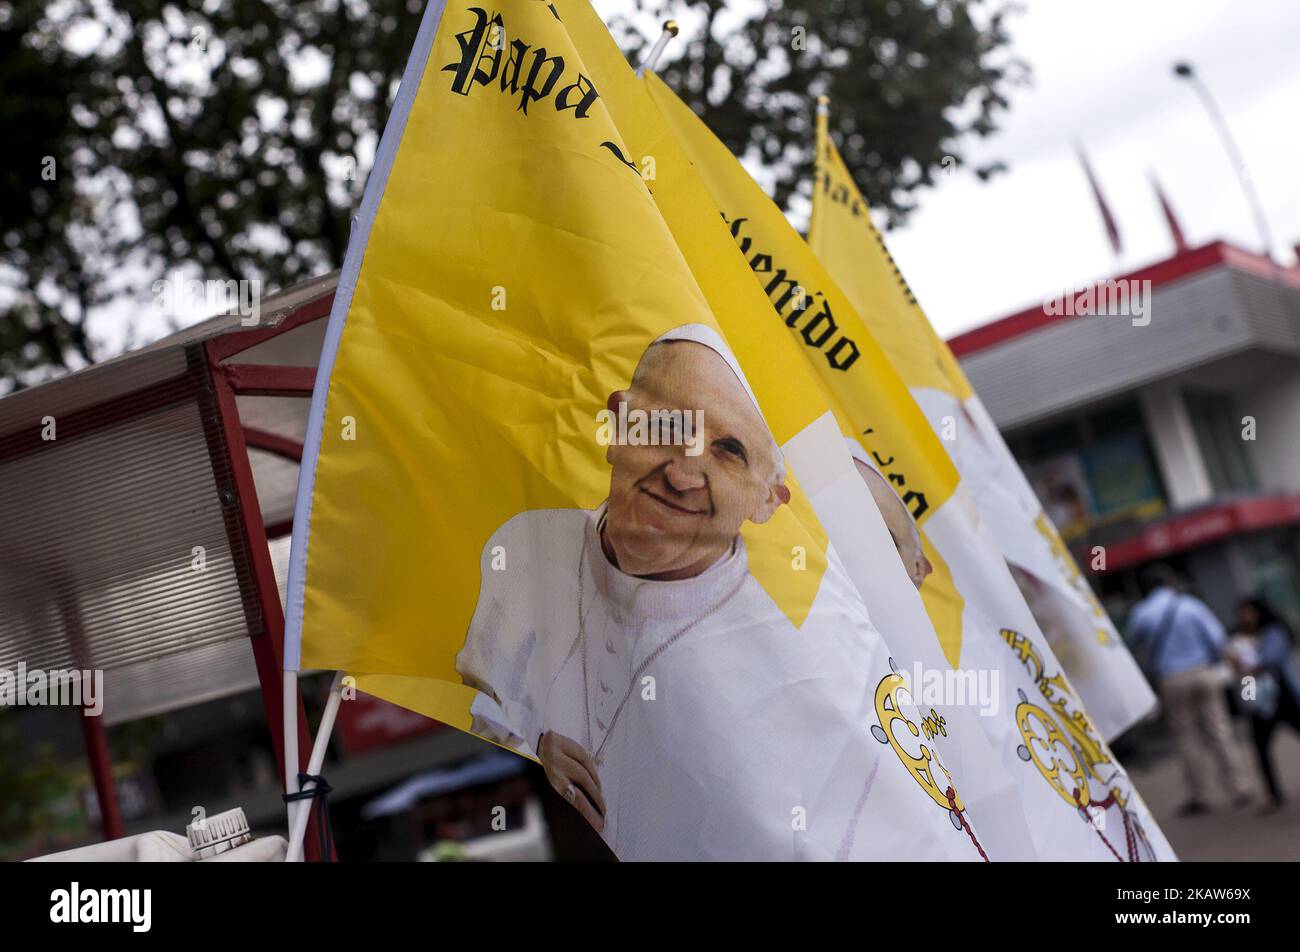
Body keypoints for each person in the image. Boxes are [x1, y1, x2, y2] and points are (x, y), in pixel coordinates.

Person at [454, 324, 975, 861]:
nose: (681, 474)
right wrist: (537, 743)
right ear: (616, 425)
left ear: (768, 501)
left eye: (727, 451)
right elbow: (478, 702)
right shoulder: (522, 548)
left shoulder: (792, 661)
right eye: (667, 426)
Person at [1127, 563, 1255, 814]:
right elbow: (1217, 639)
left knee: (1186, 737)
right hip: (1203, 672)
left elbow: (1133, 641)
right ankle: (1239, 787)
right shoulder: (1191, 606)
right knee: (1219, 729)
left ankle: (1200, 795)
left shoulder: (1142, 612)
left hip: (1171, 678)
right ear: (1169, 583)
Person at [1229, 597, 1300, 811]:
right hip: (1258, 696)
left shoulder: (1273, 632)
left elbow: (1268, 661)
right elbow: (1245, 675)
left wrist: (1245, 664)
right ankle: (1273, 793)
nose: (1245, 617)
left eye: (1248, 612)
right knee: (1260, 747)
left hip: (1282, 695)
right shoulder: (1242, 637)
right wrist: (1249, 704)